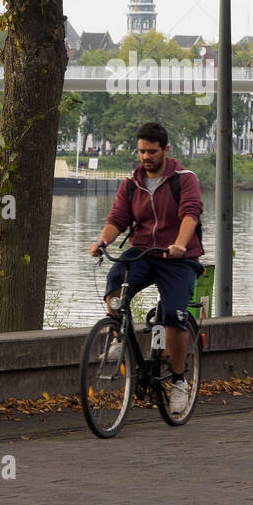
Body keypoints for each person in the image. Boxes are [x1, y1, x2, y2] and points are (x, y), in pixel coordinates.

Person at [89, 121, 203, 414]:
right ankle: (118, 337)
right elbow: (118, 218)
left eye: (152, 151)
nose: (145, 157)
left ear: (165, 150)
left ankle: (178, 382)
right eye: (141, 151)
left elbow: (190, 213)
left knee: (175, 315)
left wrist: (179, 244)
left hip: (177, 258)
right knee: (116, 279)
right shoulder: (132, 183)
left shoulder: (184, 178)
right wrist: (102, 242)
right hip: (142, 252)